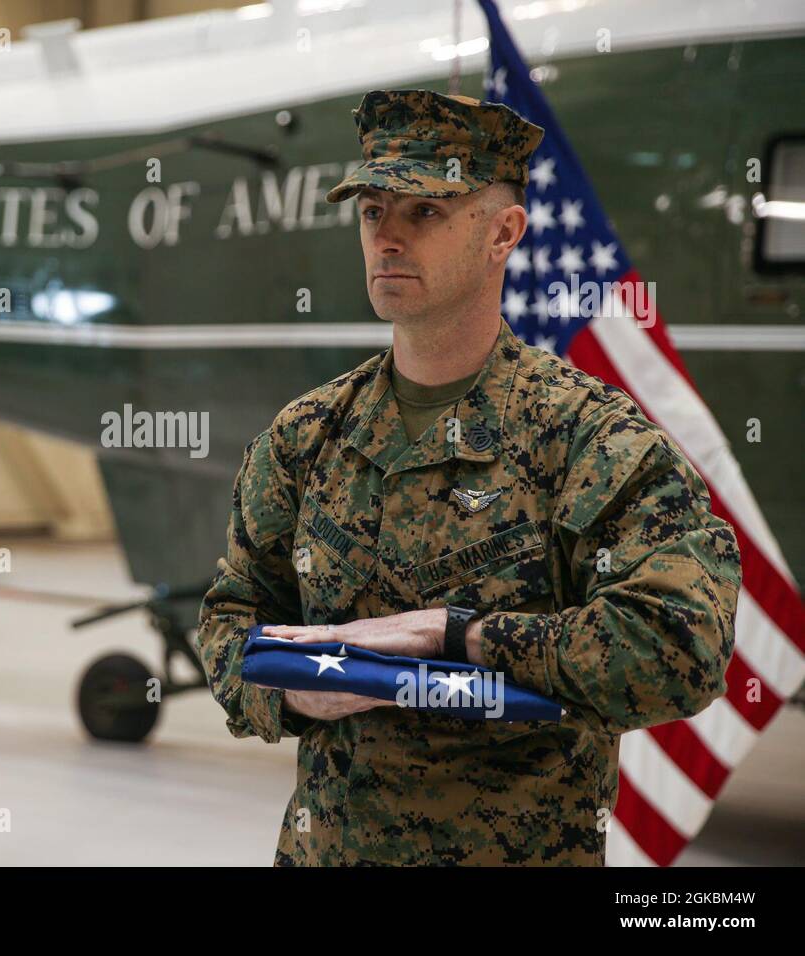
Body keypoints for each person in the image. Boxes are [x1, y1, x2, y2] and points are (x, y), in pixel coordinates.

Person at [196, 89, 741, 865]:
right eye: (371, 210)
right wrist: (283, 691)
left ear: (504, 232)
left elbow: (678, 648)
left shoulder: (590, 442)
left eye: (424, 212)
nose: (386, 236)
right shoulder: (308, 437)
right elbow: (229, 618)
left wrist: (460, 636)